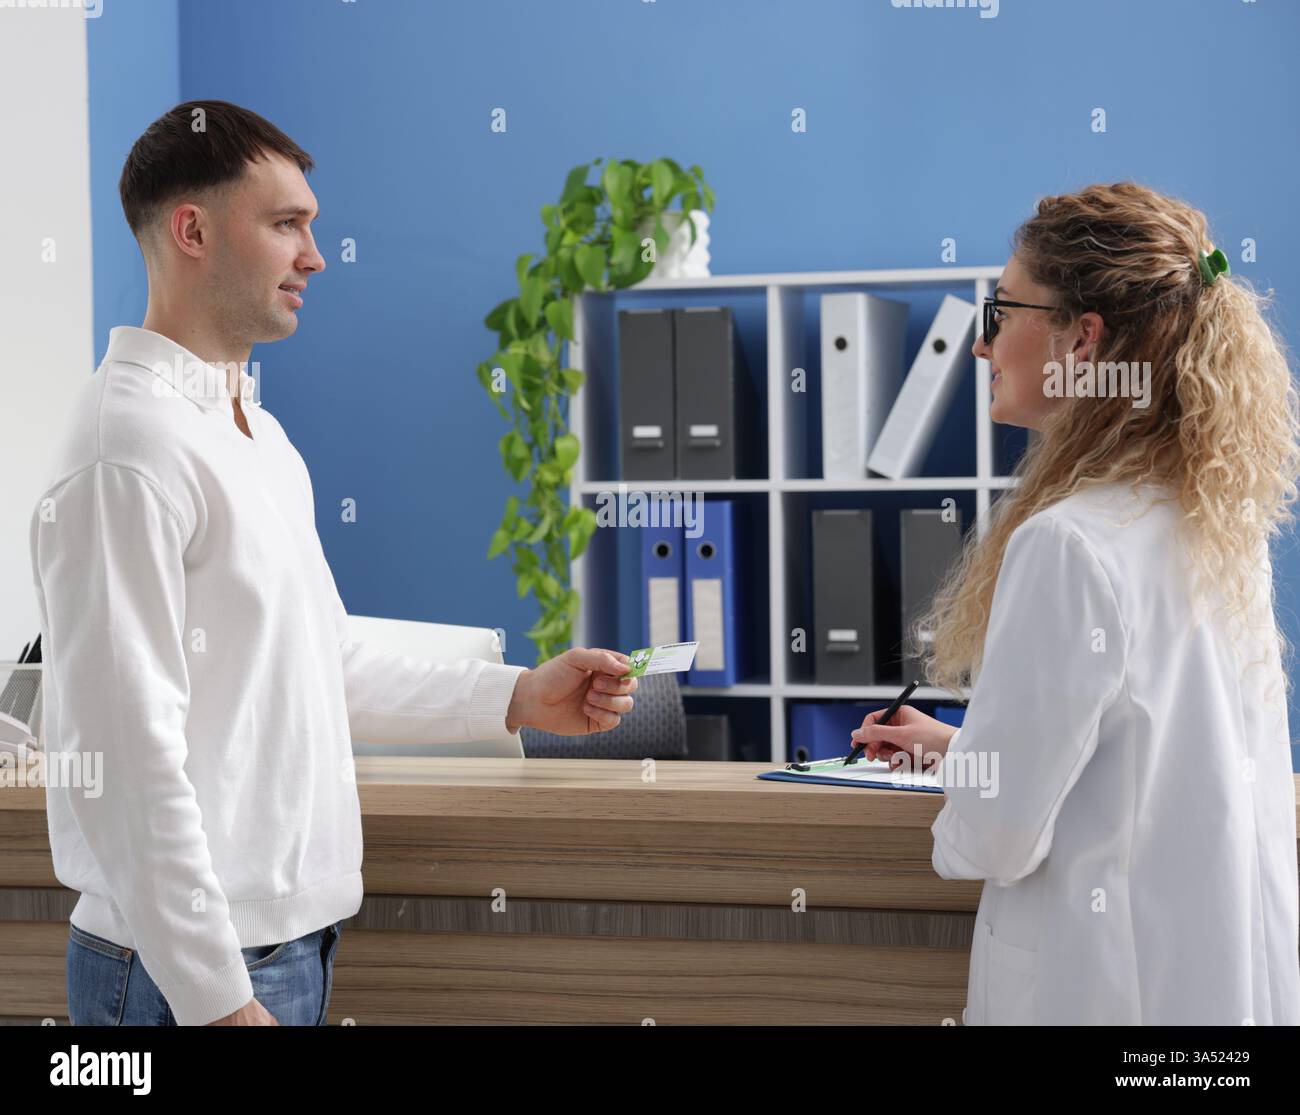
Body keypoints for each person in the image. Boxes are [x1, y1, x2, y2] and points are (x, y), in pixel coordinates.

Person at [30, 101, 637, 1027]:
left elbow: (319, 658)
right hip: (184, 978)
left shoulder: (255, 432)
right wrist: (217, 998)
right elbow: (123, 760)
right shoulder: (128, 449)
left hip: (284, 953)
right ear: (192, 230)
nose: (315, 256)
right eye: (286, 224)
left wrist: (515, 696)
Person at [852, 181, 1300, 1025]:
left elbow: (997, 838)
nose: (981, 344)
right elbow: (1143, 767)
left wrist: (970, 801)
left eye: (1001, 310)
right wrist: (965, 752)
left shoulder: (1068, 543)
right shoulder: (1210, 523)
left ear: (1082, 338)